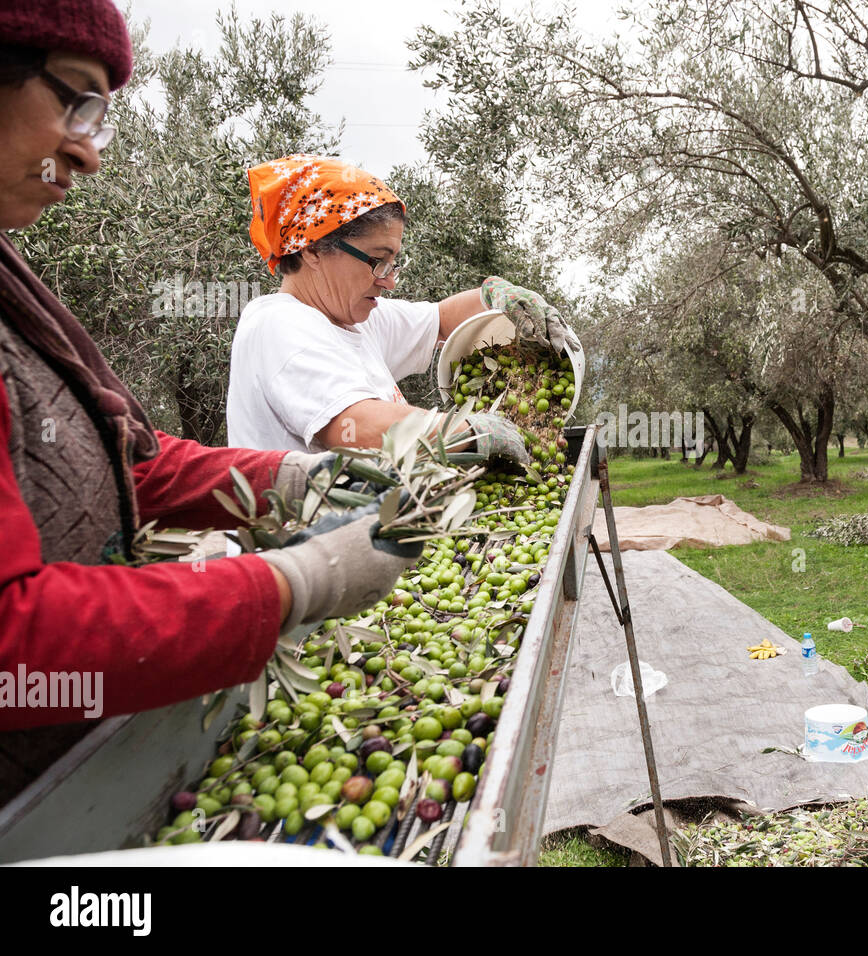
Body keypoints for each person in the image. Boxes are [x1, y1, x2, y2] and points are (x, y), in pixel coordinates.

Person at [0, 0, 421, 803]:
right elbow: (11, 643)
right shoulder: (283, 326)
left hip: (76, 760)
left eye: (102, 116)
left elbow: (131, 465)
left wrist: (292, 479)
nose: (87, 154)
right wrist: (294, 585)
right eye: (74, 98)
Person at [227, 153, 578, 458]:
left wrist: (496, 294)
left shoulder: (356, 320)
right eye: (378, 261)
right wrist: (472, 431)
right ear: (314, 251)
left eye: (393, 263)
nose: (389, 280)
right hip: (309, 536)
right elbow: (356, 429)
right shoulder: (278, 325)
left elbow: (441, 320)